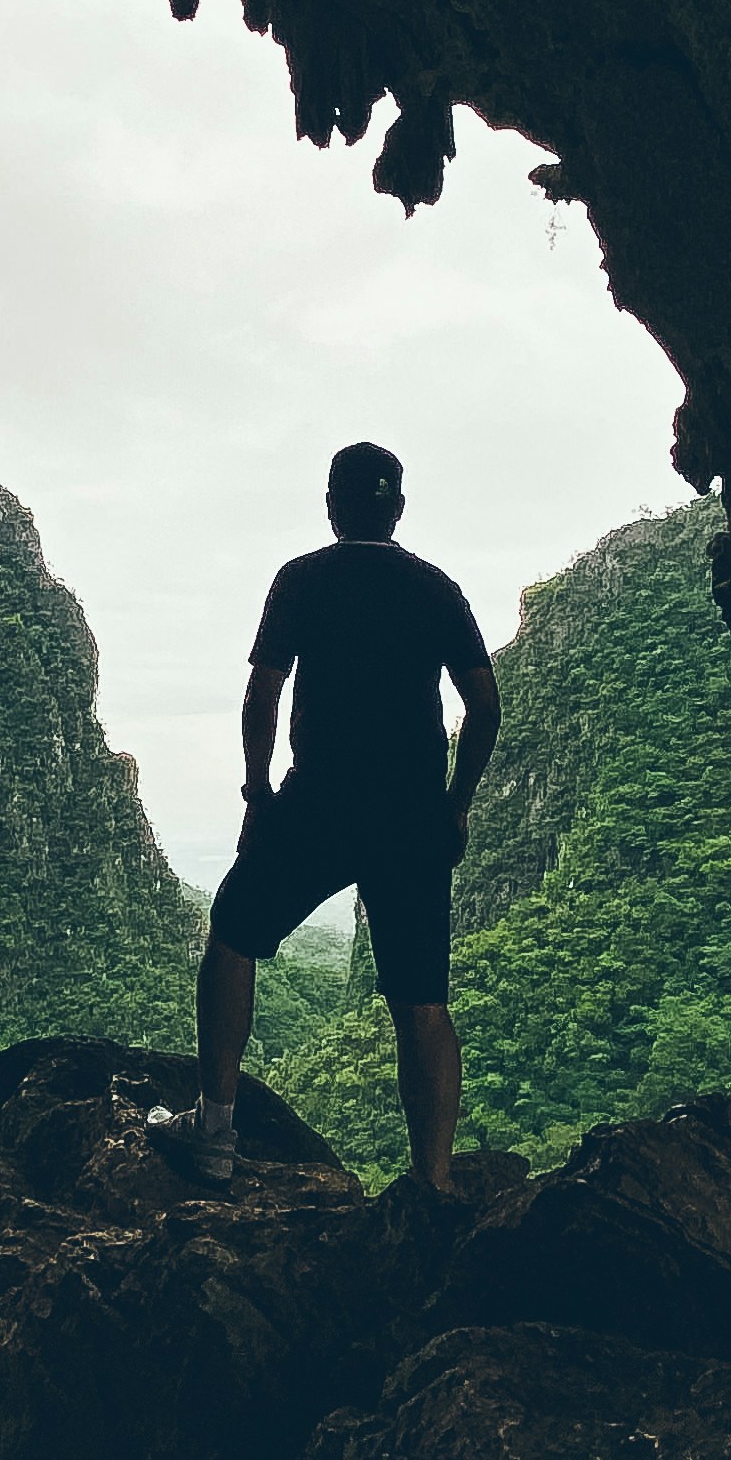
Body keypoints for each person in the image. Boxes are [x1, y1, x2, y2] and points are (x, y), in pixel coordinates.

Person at [168, 440, 500, 1197]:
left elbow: (263, 694)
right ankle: (435, 1187)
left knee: (233, 935)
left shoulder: (302, 580)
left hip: (321, 798)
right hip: (413, 809)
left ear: (331, 505)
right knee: (423, 1002)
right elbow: (484, 709)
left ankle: (214, 1133)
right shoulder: (437, 589)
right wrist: (456, 807)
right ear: (398, 510)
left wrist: (256, 795)